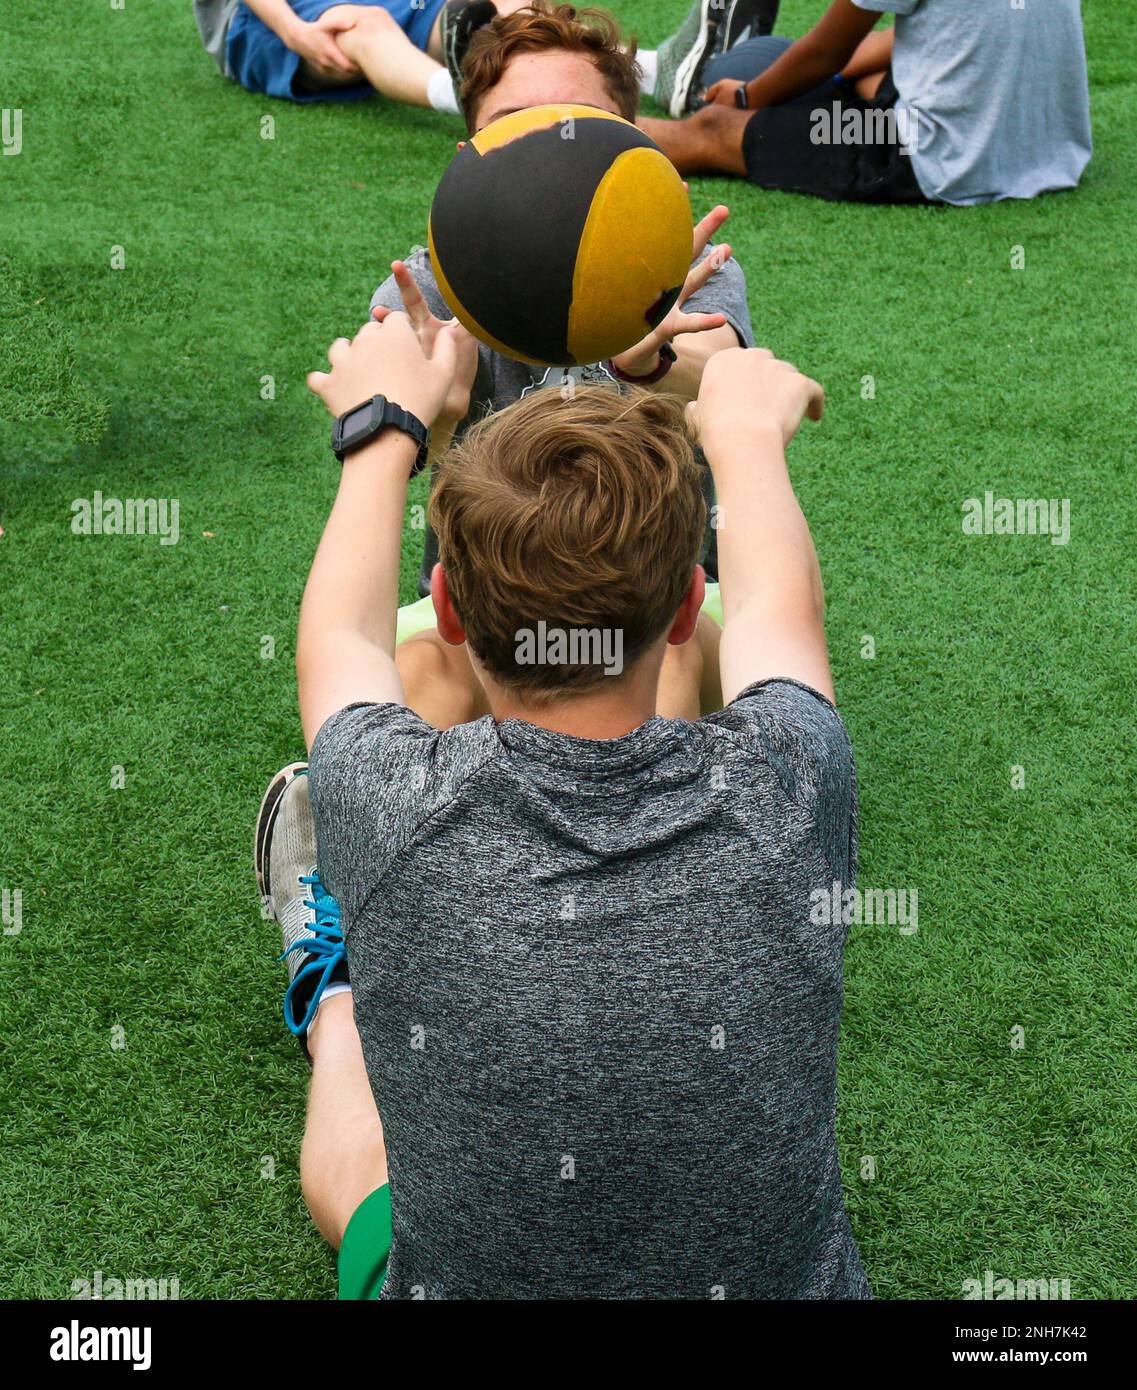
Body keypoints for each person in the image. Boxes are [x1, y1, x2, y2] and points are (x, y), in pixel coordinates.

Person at [255, 293, 868, 1297]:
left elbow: (343, 641)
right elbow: (775, 610)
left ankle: (334, 998)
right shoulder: (790, 778)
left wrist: (385, 429)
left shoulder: (380, 794)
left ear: (446, 607)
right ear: (684, 607)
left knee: (365, 1164)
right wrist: (745, 429)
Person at [370, 2, 754, 595]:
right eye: (516, 124)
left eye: (580, 122)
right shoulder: (428, 288)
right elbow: (392, 445)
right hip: (479, 606)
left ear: (637, 145)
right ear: (466, 159)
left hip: (669, 606)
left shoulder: (686, 268)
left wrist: (653, 361)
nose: (552, 152)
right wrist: (432, 406)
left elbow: (727, 383)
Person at [640, 0, 1093, 206]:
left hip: (927, 153)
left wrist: (746, 95)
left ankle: (573, 126)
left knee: (715, 129)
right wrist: (825, 80)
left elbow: (824, 53)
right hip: (1042, 142)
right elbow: (912, 40)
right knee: (851, 77)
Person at [192, 0, 530, 113]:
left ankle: (542, 78)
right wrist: (294, 32)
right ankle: (473, 102)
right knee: (363, 24)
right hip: (264, 18)